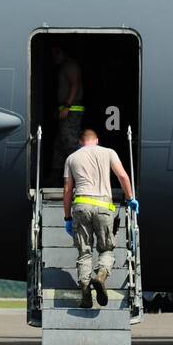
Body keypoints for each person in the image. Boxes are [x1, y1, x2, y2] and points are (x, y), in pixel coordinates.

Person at [63, 128, 137, 309]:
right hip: (104, 206)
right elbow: (123, 176)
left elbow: (67, 189)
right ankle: (101, 275)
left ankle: (86, 295)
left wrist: (67, 217)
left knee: (84, 252)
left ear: (81, 142)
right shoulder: (109, 152)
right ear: (97, 140)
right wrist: (130, 198)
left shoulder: (71, 158)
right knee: (106, 249)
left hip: (81, 206)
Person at [50, 44, 84, 178]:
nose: (55, 56)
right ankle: (55, 176)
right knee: (59, 144)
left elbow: (75, 84)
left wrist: (67, 106)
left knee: (70, 143)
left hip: (71, 110)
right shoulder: (63, 67)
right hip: (64, 111)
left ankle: (79, 176)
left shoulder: (70, 65)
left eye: (57, 52)